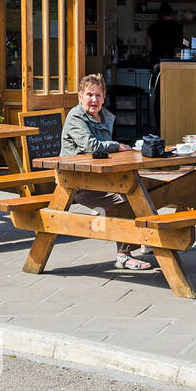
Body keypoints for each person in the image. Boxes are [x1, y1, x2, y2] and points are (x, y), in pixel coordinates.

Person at [61, 74, 152, 271]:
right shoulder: (75, 117)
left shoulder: (104, 117)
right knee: (127, 197)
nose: (94, 99)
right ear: (79, 96)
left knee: (144, 186)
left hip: (99, 179)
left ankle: (148, 236)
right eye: (89, 95)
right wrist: (116, 146)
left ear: (104, 97)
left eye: (98, 95)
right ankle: (124, 255)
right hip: (76, 182)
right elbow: (90, 145)